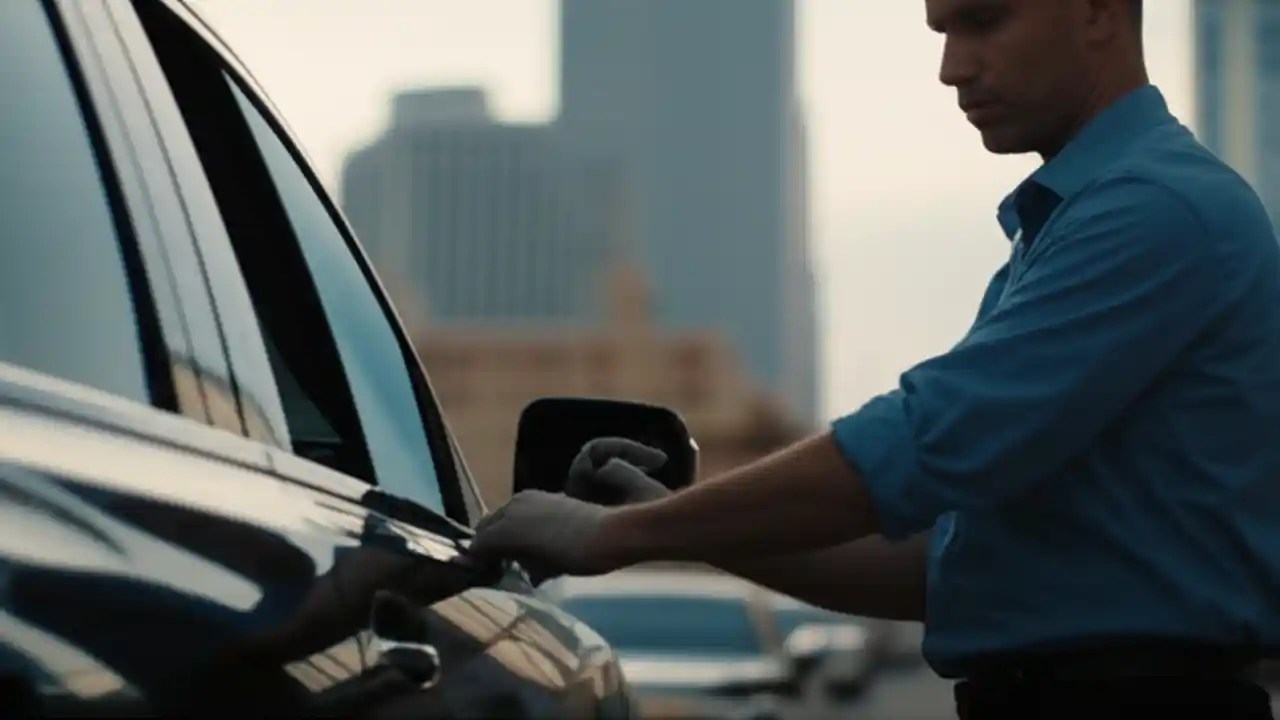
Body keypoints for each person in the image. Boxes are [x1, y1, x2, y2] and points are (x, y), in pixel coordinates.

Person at [471, 0, 1280, 716]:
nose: (951, 68)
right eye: (942, 30)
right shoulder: (1077, 226)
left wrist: (612, 536)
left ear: (1099, 9)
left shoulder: (1155, 211)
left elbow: (923, 444)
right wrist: (666, 522)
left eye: (984, 21)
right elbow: (940, 570)